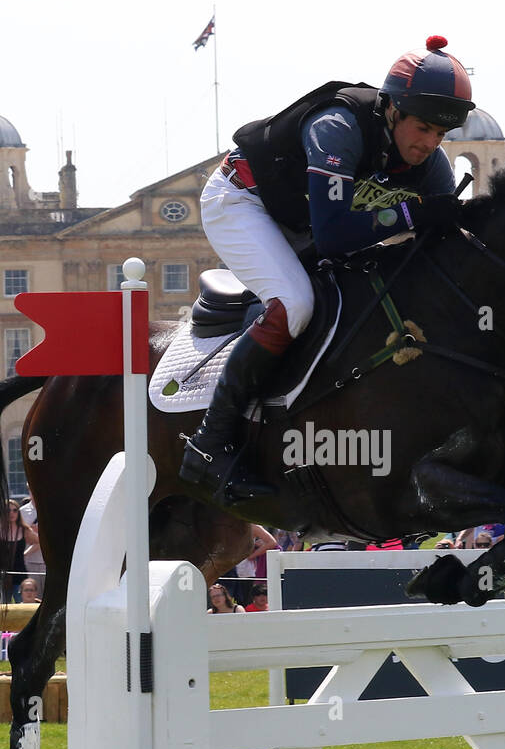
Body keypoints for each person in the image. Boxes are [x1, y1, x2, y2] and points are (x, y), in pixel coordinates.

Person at [179, 35, 475, 503]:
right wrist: (412, 215)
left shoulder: (429, 162)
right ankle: (209, 444)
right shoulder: (338, 125)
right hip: (243, 201)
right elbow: (336, 234)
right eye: (422, 127)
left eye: (441, 134)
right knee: (295, 303)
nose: (428, 144)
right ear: (393, 109)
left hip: (305, 219)